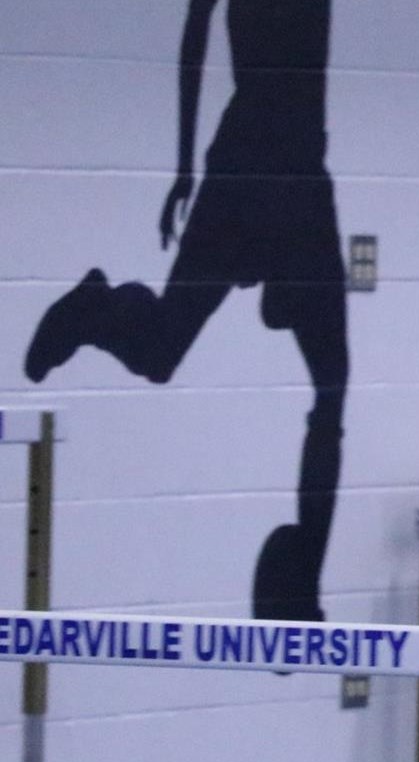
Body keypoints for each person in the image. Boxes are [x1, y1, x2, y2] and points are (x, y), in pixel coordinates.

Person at [22, 0, 348, 622]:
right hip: (246, 166)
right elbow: (194, 43)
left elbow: (198, 42)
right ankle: (96, 309)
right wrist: (182, 168)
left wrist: (184, 167)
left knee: (332, 386)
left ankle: (301, 584)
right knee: (159, 355)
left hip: (300, 176)